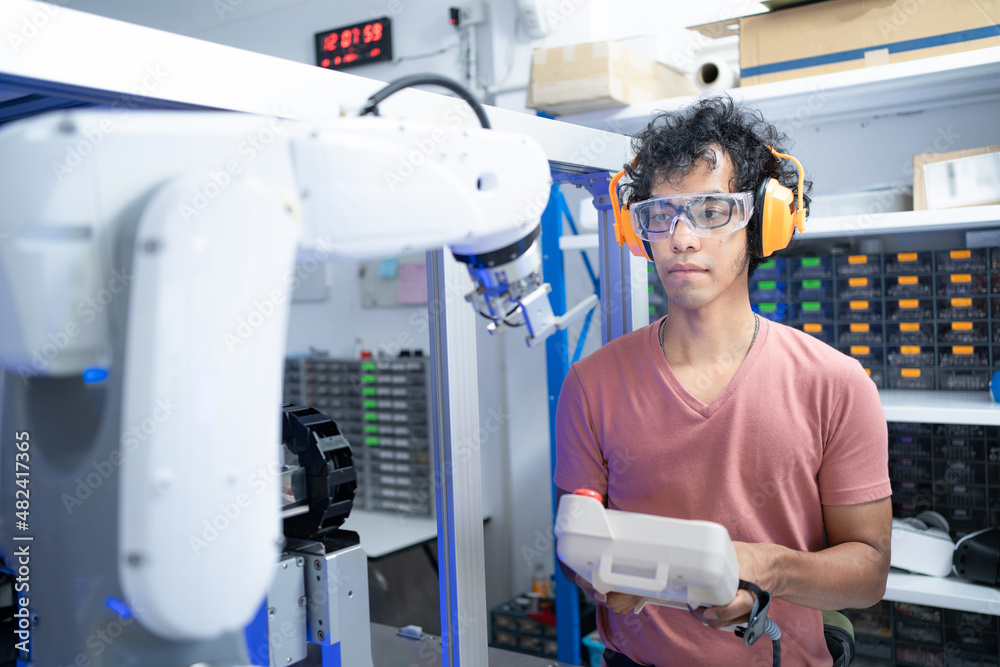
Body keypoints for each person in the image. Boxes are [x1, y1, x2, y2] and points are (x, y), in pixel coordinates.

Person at [553, 95, 891, 666]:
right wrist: (597, 574)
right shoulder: (590, 385)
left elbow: (868, 573)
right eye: (661, 214)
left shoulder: (837, 384)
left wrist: (767, 569)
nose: (682, 238)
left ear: (763, 220)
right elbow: (573, 546)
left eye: (711, 211)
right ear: (639, 232)